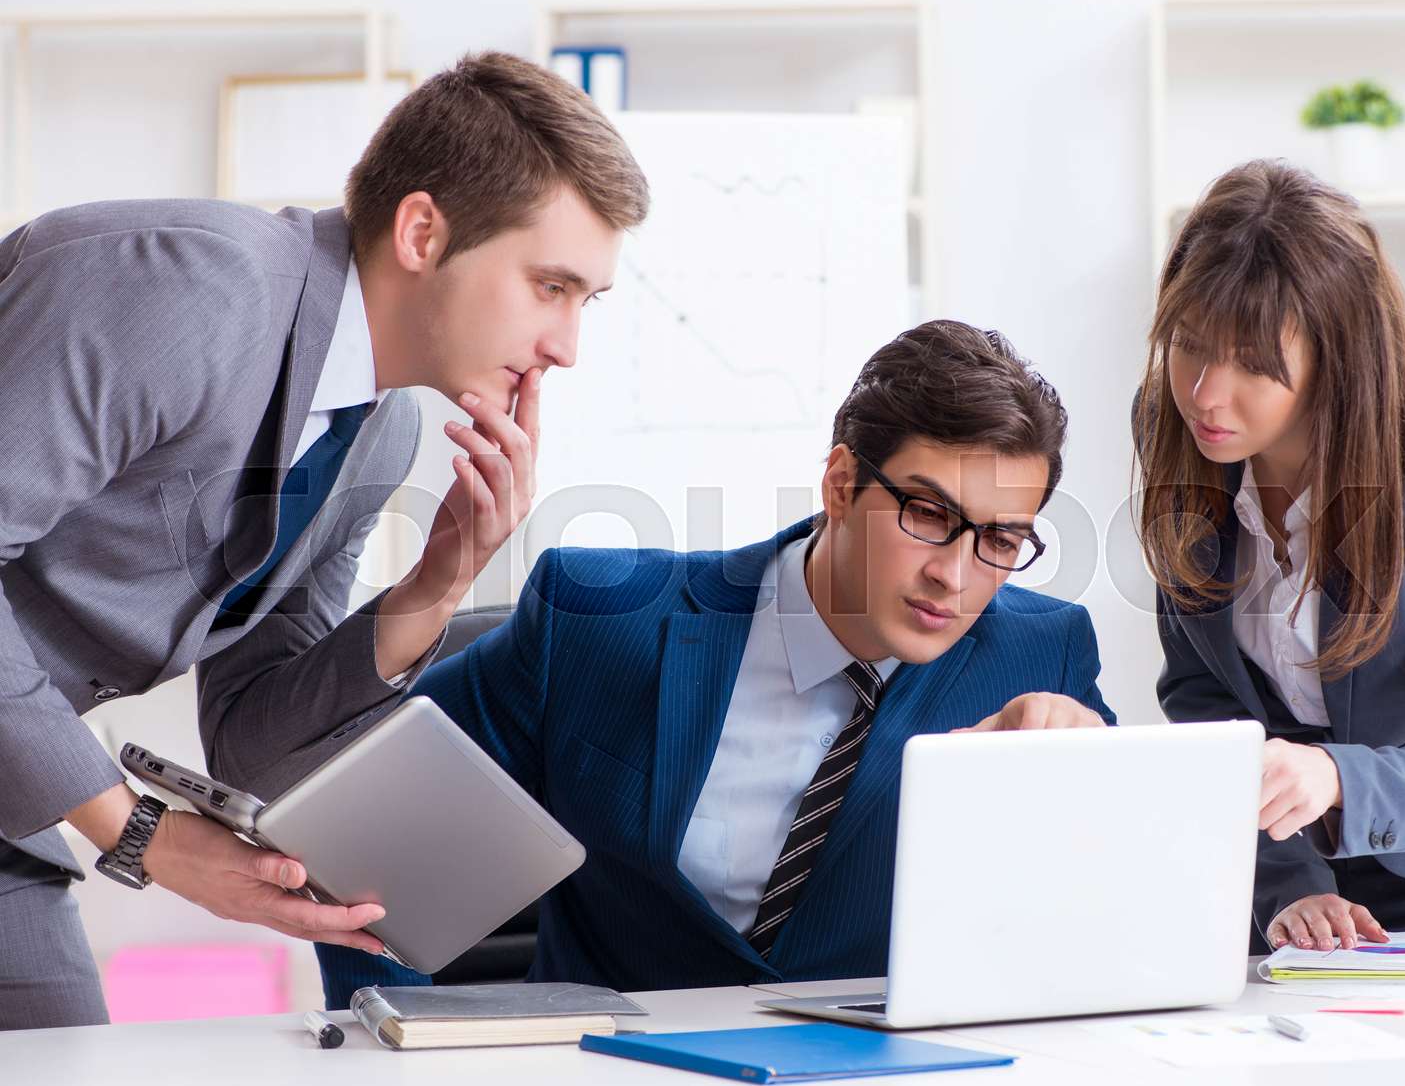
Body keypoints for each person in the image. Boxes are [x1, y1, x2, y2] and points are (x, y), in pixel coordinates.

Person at [0, 51, 648, 1030]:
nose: (566, 345)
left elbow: (256, 733)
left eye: (585, 301)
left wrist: (438, 581)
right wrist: (138, 831)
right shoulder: (188, 286)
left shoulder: (375, 430)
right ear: (423, 231)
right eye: (549, 286)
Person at [310, 319, 1115, 1008]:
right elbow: (366, 836)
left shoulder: (1042, 654)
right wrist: (393, 1042)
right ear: (840, 484)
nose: (956, 573)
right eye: (928, 514)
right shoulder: (594, 617)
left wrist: (1088, 777)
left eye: (1001, 540)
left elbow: (1111, 912)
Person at [1134, 159, 1405, 954]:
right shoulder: (1184, 441)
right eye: (1188, 345)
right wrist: (1290, 883)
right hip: (1292, 843)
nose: (1205, 392)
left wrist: (1335, 779)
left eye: (1251, 361)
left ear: (1335, 360)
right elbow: (1208, 701)